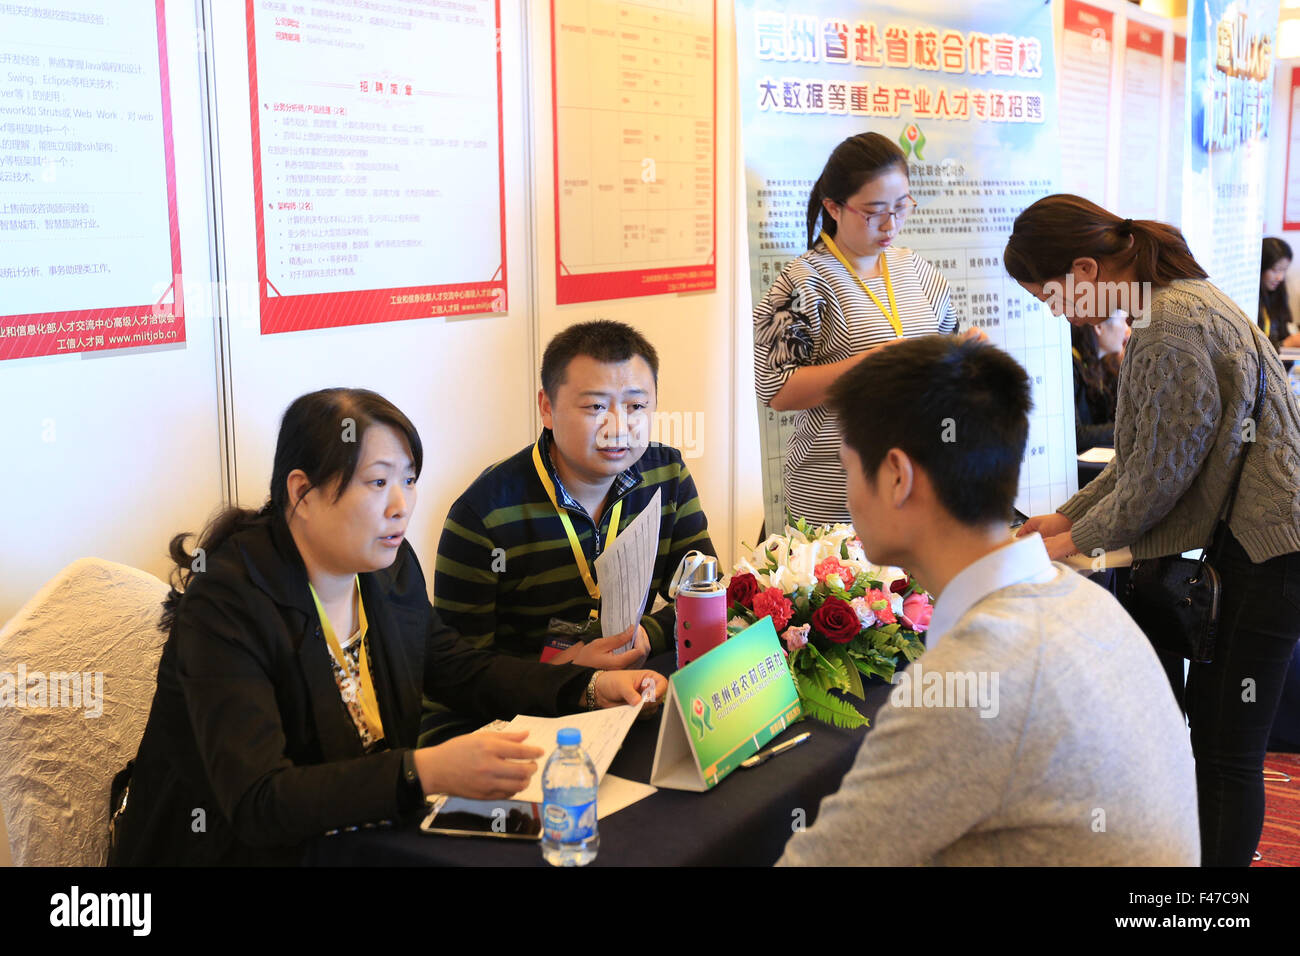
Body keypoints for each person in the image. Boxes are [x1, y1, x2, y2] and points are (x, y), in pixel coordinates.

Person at [108, 388, 665, 866]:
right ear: (302, 493)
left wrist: (586, 686)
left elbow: (457, 667)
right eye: (377, 483)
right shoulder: (230, 601)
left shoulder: (386, 565)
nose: (402, 506)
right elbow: (259, 801)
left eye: (409, 480)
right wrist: (421, 771)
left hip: (363, 832)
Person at [777, 336, 1199, 867]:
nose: (845, 493)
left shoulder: (967, 685)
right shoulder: (1086, 604)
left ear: (897, 476)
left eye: (845, 467)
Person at [1005, 194, 1300, 867]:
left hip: (1272, 552)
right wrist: (1064, 521)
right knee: (1219, 742)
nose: (1056, 313)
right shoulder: (1174, 300)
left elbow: (1154, 484)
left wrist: (1049, 550)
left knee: (1226, 752)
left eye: (1051, 295)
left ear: (1084, 267)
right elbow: (1143, 463)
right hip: (1267, 547)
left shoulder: (1167, 326)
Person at [429, 321, 713, 742]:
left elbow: (706, 589)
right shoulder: (484, 515)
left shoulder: (666, 475)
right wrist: (566, 666)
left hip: (630, 698)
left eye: (636, 407)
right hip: (524, 721)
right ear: (546, 407)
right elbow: (461, 672)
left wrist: (643, 638)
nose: (618, 427)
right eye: (596, 407)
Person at [753, 131, 973, 526]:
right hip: (833, 493)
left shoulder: (917, 270)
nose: (891, 224)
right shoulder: (804, 280)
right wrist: (869, 366)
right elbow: (777, 390)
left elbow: (945, 364)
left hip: (916, 482)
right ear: (834, 208)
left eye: (902, 206)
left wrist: (967, 357)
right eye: (874, 212)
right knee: (844, 587)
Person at [1071, 312, 1126, 453]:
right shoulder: (1070, 367)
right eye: (1123, 321)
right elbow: (1076, 436)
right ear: (1099, 327)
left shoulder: (1102, 366)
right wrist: (1127, 428)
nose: (1126, 330)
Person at [1258, 237, 1300, 352]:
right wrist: (1287, 344)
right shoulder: (1252, 301)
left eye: (1284, 270)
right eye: (1275, 270)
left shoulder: (1278, 293)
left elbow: (1284, 329)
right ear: (1261, 266)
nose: (1280, 277)